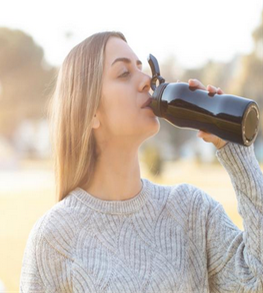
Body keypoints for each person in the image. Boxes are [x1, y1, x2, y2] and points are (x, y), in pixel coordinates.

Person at [20, 31, 263, 293]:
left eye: (141, 68)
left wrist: (234, 147)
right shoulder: (53, 239)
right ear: (90, 112)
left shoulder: (191, 211)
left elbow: (255, 280)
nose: (147, 80)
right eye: (124, 73)